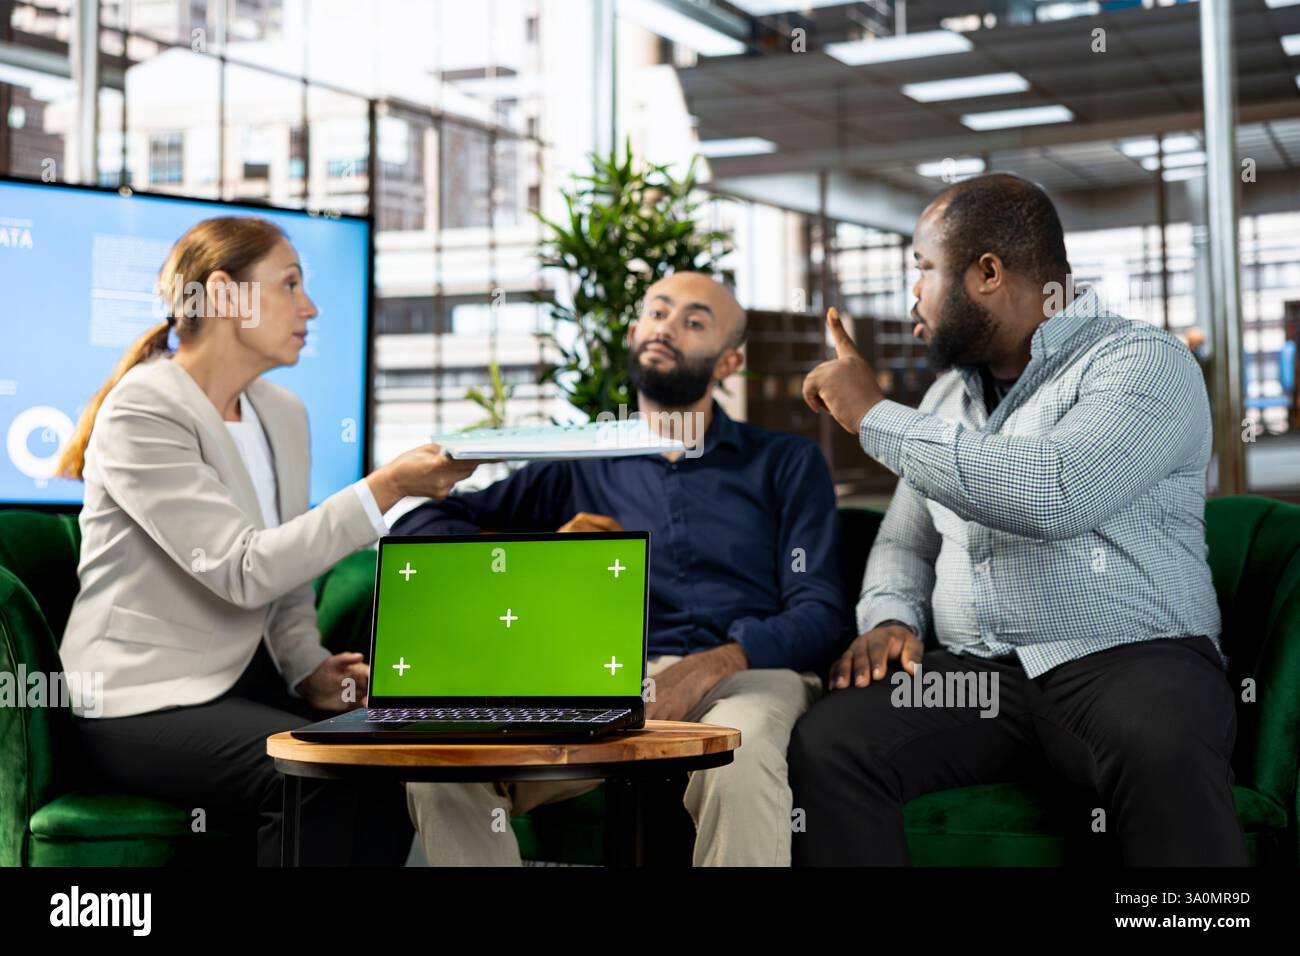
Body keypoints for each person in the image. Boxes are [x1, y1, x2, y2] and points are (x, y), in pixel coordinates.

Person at [792, 173, 1247, 866]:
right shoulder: (945, 398)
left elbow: (1055, 492)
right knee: (832, 742)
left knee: (1161, 741)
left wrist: (874, 416)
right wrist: (890, 618)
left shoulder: (1142, 361)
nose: (913, 293)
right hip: (981, 677)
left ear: (987, 273)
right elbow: (905, 542)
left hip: (1128, 658)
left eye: (923, 269)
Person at [57, 216, 482, 866]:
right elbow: (243, 568)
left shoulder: (283, 413)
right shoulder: (143, 410)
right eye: (290, 284)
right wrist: (388, 487)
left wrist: (308, 668)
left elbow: (286, 576)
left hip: (241, 682)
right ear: (224, 294)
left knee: (386, 765)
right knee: (313, 774)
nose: (309, 307)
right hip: (139, 699)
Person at [396, 270, 851, 866]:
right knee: (443, 773)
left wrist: (716, 661)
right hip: (599, 681)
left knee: (739, 759)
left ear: (728, 361)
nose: (667, 328)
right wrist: (542, 550)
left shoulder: (786, 462)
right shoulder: (576, 462)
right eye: (657, 313)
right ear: (635, 334)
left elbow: (821, 612)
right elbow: (419, 528)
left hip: (746, 674)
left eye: (694, 321)